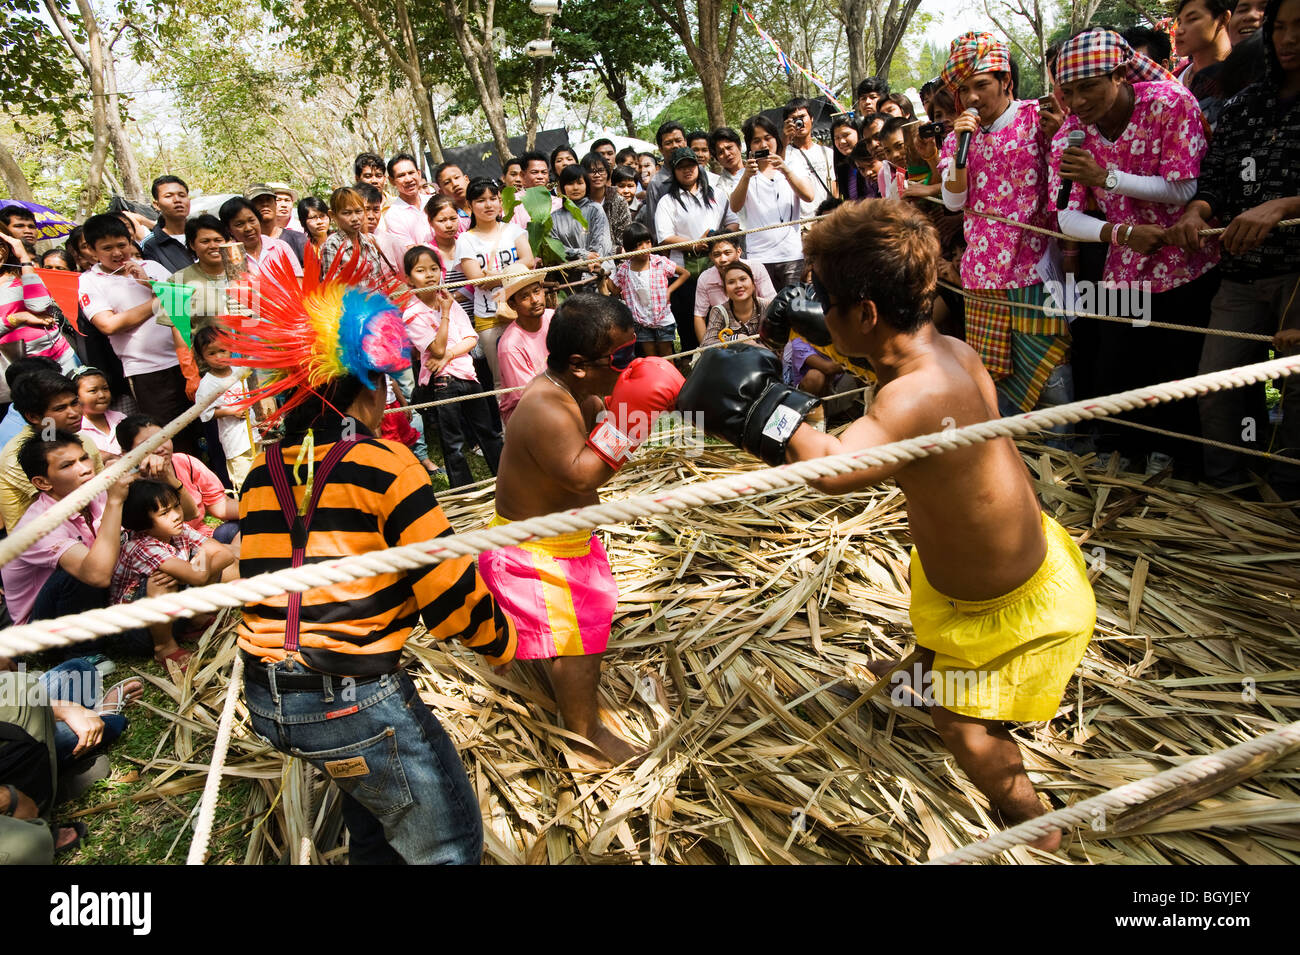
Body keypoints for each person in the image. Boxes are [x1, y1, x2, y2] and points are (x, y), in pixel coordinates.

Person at [679, 200, 1096, 851]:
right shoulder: (946, 351)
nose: (817, 307)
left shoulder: (915, 395)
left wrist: (761, 405)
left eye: (828, 299)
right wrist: (832, 335)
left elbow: (838, 468)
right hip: (979, 580)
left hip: (1012, 607)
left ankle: (1038, 827)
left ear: (866, 314)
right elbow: (890, 378)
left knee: (964, 729)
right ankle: (925, 678)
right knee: (933, 650)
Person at [223, 261, 516, 864]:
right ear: (366, 385)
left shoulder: (261, 471)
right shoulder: (388, 463)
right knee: (448, 846)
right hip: (350, 694)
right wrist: (502, 642)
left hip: (268, 694)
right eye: (385, 384)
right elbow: (447, 587)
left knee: (375, 815)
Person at [480, 293, 682, 766]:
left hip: (567, 541)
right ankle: (584, 733)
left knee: (584, 628)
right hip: (534, 553)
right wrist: (633, 420)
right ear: (578, 364)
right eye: (621, 358)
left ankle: (542, 667)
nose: (631, 367)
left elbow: (605, 429)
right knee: (579, 646)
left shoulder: (578, 392)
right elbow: (582, 473)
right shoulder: (545, 407)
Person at [1050, 29, 1217, 474]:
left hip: (1186, 261)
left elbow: (1185, 186)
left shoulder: (1168, 103)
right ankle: (1123, 460)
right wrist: (1122, 234)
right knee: (1119, 368)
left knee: (1179, 367)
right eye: (1069, 92)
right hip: (1123, 268)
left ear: (1121, 74)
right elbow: (1065, 216)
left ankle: (1179, 468)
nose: (1079, 102)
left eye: (1089, 87)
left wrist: (1107, 178)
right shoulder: (1071, 133)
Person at [1167, 0, 1300, 495]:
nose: (1285, 38)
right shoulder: (1245, 105)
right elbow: (1215, 180)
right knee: (1216, 386)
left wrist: (1284, 206)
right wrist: (1197, 211)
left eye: (1297, 27)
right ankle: (1229, 496)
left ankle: (1287, 502)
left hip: (1297, 275)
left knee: (1298, 397)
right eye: (1280, 27)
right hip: (1241, 274)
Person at [939, 32, 1071, 417]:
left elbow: (1066, 182)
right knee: (993, 374)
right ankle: (1017, 456)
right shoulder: (957, 139)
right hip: (981, 275)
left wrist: (1060, 133)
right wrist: (961, 149)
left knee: (1050, 368)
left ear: (1006, 81)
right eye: (964, 90)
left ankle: (1063, 453)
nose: (973, 97)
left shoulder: (1038, 119)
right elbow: (953, 201)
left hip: (1036, 269)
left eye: (981, 85)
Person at [0, 432, 171, 661]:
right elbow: (96, 575)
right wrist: (115, 502)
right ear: (42, 482)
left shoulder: (96, 494)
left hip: (97, 601)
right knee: (77, 571)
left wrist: (164, 475)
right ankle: (85, 653)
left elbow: (186, 516)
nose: (85, 469)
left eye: (84, 458)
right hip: (43, 630)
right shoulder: (39, 525)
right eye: (68, 465)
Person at [77, 214, 197, 452]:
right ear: (92, 250)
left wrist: (150, 284)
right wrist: (157, 302)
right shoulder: (90, 281)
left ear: (131, 240)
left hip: (186, 361)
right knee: (170, 436)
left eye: (122, 245)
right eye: (107, 248)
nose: (117, 253)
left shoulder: (151, 267)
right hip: (146, 371)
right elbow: (108, 325)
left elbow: (184, 304)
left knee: (202, 425)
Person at [108, 478, 235, 673]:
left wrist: (190, 570)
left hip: (172, 616)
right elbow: (199, 575)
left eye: (176, 506)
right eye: (165, 513)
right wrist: (201, 557)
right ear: (142, 521)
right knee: (160, 579)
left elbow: (225, 555)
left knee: (200, 563)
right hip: (137, 632)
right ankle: (164, 648)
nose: (176, 515)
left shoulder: (178, 530)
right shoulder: (143, 545)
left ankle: (195, 618)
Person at [403, 245, 502, 488]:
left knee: (488, 432)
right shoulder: (413, 313)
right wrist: (445, 315)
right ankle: (465, 493)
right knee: (453, 442)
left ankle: (505, 481)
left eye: (434, 268)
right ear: (409, 280)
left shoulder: (448, 301)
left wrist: (447, 355)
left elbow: (471, 338)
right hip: (443, 383)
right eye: (421, 270)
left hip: (468, 375)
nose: (429, 275)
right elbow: (435, 349)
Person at [654, 147, 739, 354]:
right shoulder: (668, 201)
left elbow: (734, 223)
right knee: (688, 318)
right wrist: (694, 244)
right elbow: (664, 237)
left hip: (718, 266)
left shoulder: (717, 194)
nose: (687, 170)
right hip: (684, 273)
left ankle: (730, 352)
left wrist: (716, 239)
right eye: (681, 167)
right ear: (673, 171)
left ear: (699, 166)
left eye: (690, 165)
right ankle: (693, 358)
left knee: (722, 313)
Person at [455, 178, 535, 387]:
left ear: (500, 202)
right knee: (501, 380)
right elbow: (476, 280)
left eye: (493, 198)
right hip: (488, 316)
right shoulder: (465, 239)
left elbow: (529, 261)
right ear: (470, 205)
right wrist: (510, 272)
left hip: (521, 309)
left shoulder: (513, 230)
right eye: (481, 200)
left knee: (533, 370)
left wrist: (496, 277)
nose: (489, 204)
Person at [0, 370, 103, 530]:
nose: (74, 413)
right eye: (61, 408)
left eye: (74, 403)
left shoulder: (83, 441)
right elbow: (70, 500)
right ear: (33, 417)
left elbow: (102, 489)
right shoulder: (16, 455)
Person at [116, 414, 239, 545]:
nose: (159, 448)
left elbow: (218, 505)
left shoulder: (184, 461)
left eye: (163, 438)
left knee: (244, 526)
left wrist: (257, 508)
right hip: (160, 550)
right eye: (147, 444)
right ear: (126, 453)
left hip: (199, 538)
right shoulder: (125, 483)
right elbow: (189, 515)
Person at [728, 114, 815, 291]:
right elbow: (735, 206)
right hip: (759, 256)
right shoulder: (743, 175)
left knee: (793, 307)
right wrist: (746, 176)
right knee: (767, 310)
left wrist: (785, 169)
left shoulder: (793, 164)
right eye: (756, 141)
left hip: (791, 254)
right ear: (750, 146)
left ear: (776, 139)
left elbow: (809, 196)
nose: (764, 145)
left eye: (768, 138)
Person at [0, 228, 75, 374]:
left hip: (62, 358)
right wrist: (18, 317)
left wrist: (24, 259)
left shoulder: (23, 276)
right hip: (18, 372)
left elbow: (38, 306)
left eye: (1, 245)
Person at [192, 325, 258, 490]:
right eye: (211, 353)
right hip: (235, 443)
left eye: (222, 350)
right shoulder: (207, 384)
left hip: (254, 435)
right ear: (202, 358)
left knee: (260, 472)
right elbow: (204, 414)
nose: (219, 357)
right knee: (244, 481)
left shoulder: (240, 371)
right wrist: (230, 411)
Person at [611, 223, 688, 358]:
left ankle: (672, 378)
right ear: (630, 248)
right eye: (640, 244)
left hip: (663, 318)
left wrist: (669, 290)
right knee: (651, 357)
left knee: (667, 355)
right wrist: (603, 276)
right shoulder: (625, 269)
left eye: (648, 242)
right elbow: (615, 290)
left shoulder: (659, 262)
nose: (645, 248)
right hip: (641, 322)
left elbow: (685, 273)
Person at [494, 265, 554, 424]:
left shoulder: (553, 317)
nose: (535, 300)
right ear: (513, 304)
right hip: (526, 413)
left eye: (536, 291)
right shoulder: (510, 346)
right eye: (525, 296)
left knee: (593, 402)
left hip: (558, 396)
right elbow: (529, 396)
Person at [692, 235, 777, 344]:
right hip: (727, 343)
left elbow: (774, 309)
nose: (723, 259)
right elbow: (700, 317)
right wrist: (705, 352)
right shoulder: (718, 311)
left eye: (727, 253)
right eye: (717, 254)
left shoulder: (765, 304)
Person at [319, 187, 399, 291]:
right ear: (333, 215)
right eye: (346, 213)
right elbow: (334, 288)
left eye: (358, 211)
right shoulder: (332, 245)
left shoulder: (368, 241)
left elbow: (379, 282)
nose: (355, 218)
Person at [171, 215, 238, 329]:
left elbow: (258, 319)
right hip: (207, 346)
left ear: (228, 242)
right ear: (192, 245)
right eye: (205, 241)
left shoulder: (246, 274)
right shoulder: (178, 280)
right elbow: (179, 332)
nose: (213, 246)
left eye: (218, 240)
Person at [375, 153, 435, 276]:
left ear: (418, 173)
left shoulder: (434, 202)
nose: (408, 179)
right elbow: (413, 253)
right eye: (401, 175)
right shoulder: (393, 215)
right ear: (392, 181)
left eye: (411, 173)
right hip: (426, 276)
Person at [220, 197, 301, 284]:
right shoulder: (228, 256)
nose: (248, 228)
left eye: (252, 221)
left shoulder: (280, 247)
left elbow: (298, 281)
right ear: (229, 230)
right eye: (239, 224)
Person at [551, 164, 613, 280]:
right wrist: (584, 254)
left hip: (597, 274)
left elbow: (601, 243)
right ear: (562, 187)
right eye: (570, 183)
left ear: (586, 185)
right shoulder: (554, 217)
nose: (575, 188)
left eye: (580, 183)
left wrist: (593, 258)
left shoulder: (595, 209)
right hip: (569, 279)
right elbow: (556, 248)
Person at [783, 98, 838, 216]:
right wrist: (784, 139)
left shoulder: (827, 153)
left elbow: (835, 190)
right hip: (801, 224)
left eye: (802, 117)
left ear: (811, 118)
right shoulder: (784, 156)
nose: (799, 122)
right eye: (793, 119)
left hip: (827, 220)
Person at [700, 261, 771, 348]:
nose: (738, 285)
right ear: (725, 290)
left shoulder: (767, 306)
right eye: (731, 282)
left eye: (743, 279)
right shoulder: (720, 311)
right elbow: (706, 344)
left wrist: (754, 345)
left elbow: (780, 341)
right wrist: (736, 339)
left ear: (753, 284)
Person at [638, 122, 688, 239]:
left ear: (685, 142)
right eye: (668, 143)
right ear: (660, 148)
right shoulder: (656, 184)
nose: (675, 146)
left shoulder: (699, 172)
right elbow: (654, 228)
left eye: (678, 140)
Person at [425, 194, 472, 311]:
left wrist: (453, 297)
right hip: (446, 317)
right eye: (442, 220)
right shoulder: (426, 253)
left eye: (453, 218)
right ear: (430, 221)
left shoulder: (468, 245)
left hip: (476, 313)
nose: (449, 225)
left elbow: (477, 281)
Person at [139, 175, 195, 274]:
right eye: (168, 196)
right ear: (156, 205)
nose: (177, 200)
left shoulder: (206, 233)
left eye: (182, 195)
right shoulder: (150, 245)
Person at [245, 184, 307, 269]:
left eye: (268, 200)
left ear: (275, 204)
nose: (265, 204)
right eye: (258, 201)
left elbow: (311, 274)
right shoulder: (243, 244)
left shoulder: (298, 238)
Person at [582, 153, 631, 250]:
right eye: (592, 171)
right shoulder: (579, 203)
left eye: (601, 171)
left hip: (617, 258)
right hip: (586, 259)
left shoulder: (619, 201)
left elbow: (625, 237)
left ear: (607, 172)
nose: (597, 175)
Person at [74, 366, 123, 460]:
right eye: (93, 391)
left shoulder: (120, 418)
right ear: (77, 396)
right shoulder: (76, 428)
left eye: (105, 388)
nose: (102, 395)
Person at [831, 115, 867, 200]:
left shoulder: (871, 163)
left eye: (846, 135)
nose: (842, 141)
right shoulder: (844, 168)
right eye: (837, 138)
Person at [433, 162, 472, 230]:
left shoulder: (484, 204)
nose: (455, 184)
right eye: (447, 182)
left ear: (466, 179)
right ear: (441, 192)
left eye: (456, 177)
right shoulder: (448, 222)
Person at [709, 127, 746, 194]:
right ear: (717, 159)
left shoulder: (758, 169)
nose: (727, 154)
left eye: (729, 148)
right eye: (720, 152)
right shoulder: (720, 188)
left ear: (739, 146)